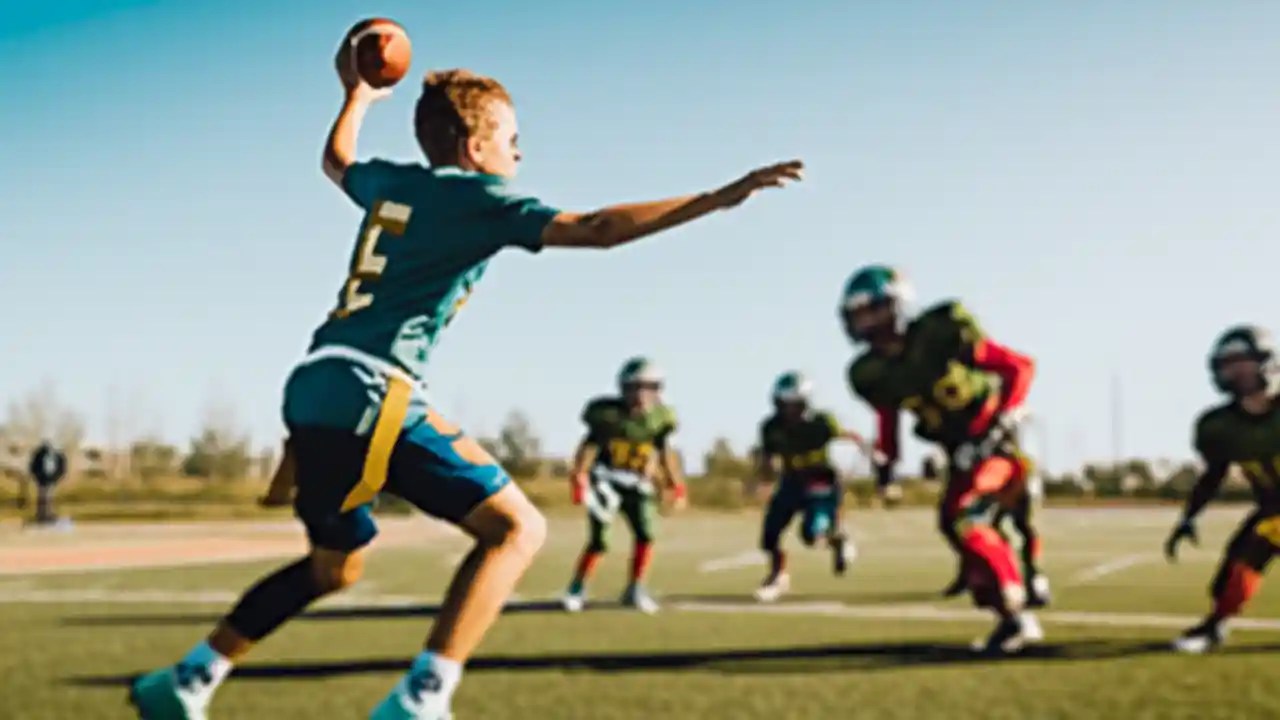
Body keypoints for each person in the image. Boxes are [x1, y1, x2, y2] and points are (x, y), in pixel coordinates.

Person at [129, 32, 802, 720]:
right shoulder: (482, 198)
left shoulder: (393, 182)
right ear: (476, 148)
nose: (521, 151)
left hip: (312, 386)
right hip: (372, 386)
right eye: (513, 136)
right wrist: (717, 197)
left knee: (335, 567)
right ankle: (423, 697)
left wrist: (357, 96)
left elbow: (337, 163)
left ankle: (186, 679)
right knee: (517, 530)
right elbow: (597, 229)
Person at [841, 265, 1046, 654]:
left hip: (997, 439)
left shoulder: (940, 333)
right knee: (957, 527)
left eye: (868, 310)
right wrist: (887, 465)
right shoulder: (874, 372)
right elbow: (889, 417)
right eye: (856, 313)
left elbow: (1019, 367)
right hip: (960, 450)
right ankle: (1007, 609)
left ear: (893, 307)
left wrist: (1004, 419)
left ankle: (1020, 603)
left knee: (967, 515)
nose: (860, 320)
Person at [1166, 325, 1280, 654]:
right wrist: (1188, 517)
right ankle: (1217, 623)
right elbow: (1214, 474)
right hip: (1272, 506)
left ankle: (1214, 625)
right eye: (1228, 363)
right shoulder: (1219, 426)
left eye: (1243, 360)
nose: (1236, 370)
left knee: (1256, 544)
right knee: (1233, 568)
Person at [561, 357, 685, 615]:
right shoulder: (607, 415)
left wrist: (676, 484)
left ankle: (636, 587)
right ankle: (577, 586)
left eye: (649, 388)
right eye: (635, 387)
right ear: (623, 389)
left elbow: (664, 451)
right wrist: (579, 475)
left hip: (638, 482)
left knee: (646, 534)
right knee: (600, 541)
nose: (641, 395)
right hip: (606, 479)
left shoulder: (660, 419)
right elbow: (589, 444)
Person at [754, 371, 867, 602]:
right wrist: (762, 478)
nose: (788, 410)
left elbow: (851, 437)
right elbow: (766, 459)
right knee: (770, 534)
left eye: (793, 404)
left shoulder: (821, 423)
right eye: (784, 403)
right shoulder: (771, 427)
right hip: (791, 481)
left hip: (820, 480)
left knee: (812, 534)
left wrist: (868, 454)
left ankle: (838, 538)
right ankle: (778, 576)